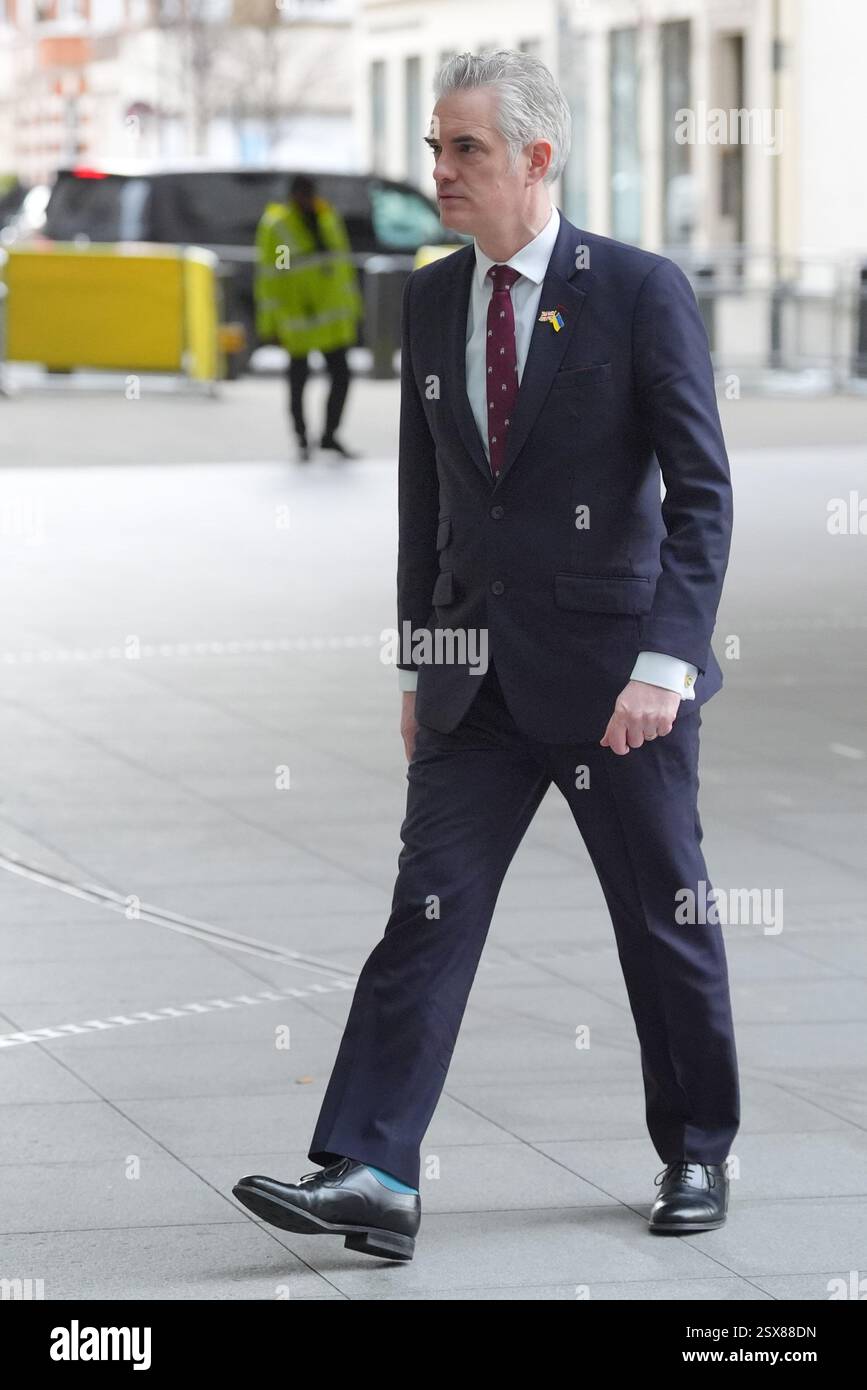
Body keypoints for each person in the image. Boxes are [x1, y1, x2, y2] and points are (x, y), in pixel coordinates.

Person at [233, 49, 739, 1263]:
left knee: (660, 917)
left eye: (464, 149)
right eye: (436, 147)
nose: (441, 171)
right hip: (475, 681)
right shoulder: (428, 296)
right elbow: (431, 506)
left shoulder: (635, 289)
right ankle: (374, 1171)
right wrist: (421, 663)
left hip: (620, 684)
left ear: (535, 157)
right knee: (426, 911)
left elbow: (702, 495)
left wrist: (665, 666)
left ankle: (697, 1148)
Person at [254, 173, 363, 461]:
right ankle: (302, 438)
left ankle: (329, 435)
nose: (308, 200)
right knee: (298, 381)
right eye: (303, 195)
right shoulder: (277, 227)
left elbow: (342, 266)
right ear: (292, 196)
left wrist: (352, 309)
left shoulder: (327, 217)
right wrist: (270, 324)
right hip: (297, 320)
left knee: (341, 376)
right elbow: (270, 278)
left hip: (331, 319)